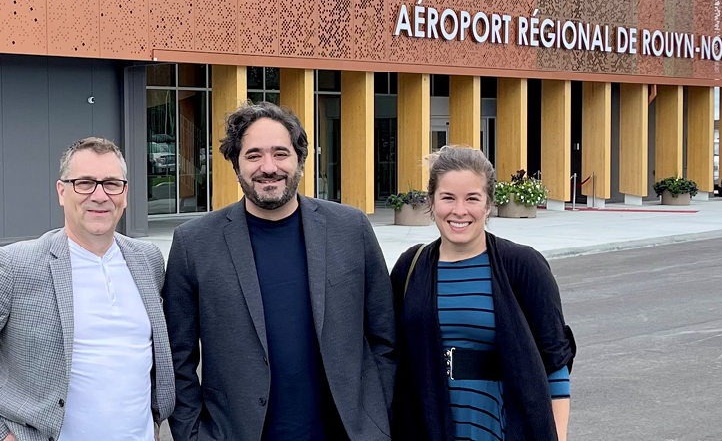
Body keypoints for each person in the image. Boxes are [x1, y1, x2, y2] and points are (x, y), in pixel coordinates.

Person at [163, 101, 395, 441]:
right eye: (254, 155)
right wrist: (193, 434)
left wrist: (375, 418)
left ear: (300, 158)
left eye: (280, 153)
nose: (268, 167)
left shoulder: (351, 228)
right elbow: (177, 357)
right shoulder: (194, 242)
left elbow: (384, 338)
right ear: (235, 163)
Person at [391, 145, 575, 441]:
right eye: (448, 198)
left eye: (472, 199)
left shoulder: (523, 266)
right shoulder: (410, 267)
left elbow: (555, 365)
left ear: (488, 204)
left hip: (500, 428)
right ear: (432, 202)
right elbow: (390, 357)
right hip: (425, 427)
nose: (459, 210)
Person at [0, 137, 174, 441]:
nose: (99, 195)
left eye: (111, 183)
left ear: (125, 193)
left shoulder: (148, 260)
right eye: (84, 183)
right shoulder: (16, 265)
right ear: (61, 192)